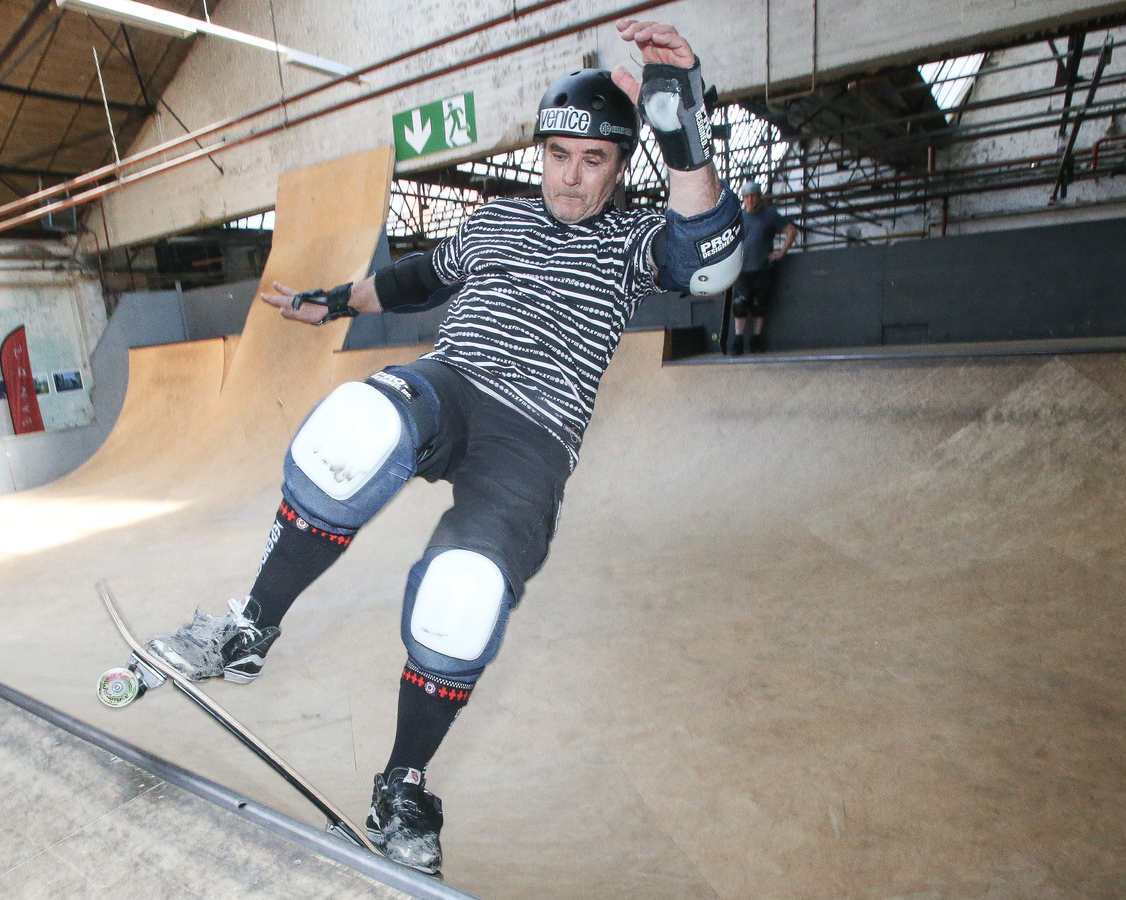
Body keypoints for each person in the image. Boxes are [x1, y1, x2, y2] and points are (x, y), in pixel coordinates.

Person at [144, 18, 743, 876]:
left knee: (463, 595)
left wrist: (677, 119)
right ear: (541, 154)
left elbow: (708, 259)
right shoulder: (495, 222)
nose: (572, 177)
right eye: (559, 156)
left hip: (532, 436)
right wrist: (328, 301)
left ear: (618, 167)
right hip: (449, 384)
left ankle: (402, 783)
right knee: (354, 428)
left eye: (594, 160)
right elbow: (411, 279)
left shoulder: (631, 242)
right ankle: (248, 629)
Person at [728, 180, 797, 355]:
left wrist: (781, 253)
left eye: (753, 196)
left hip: (763, 268)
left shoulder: (770, 215)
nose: (750, 199)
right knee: (740, 304)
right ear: (743, 198)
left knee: (759, 305)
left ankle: (756, 339)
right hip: (742, 269)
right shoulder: (738, 217)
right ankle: (738, 340)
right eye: (746, 196)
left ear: (759, 197)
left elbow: (791, 231)